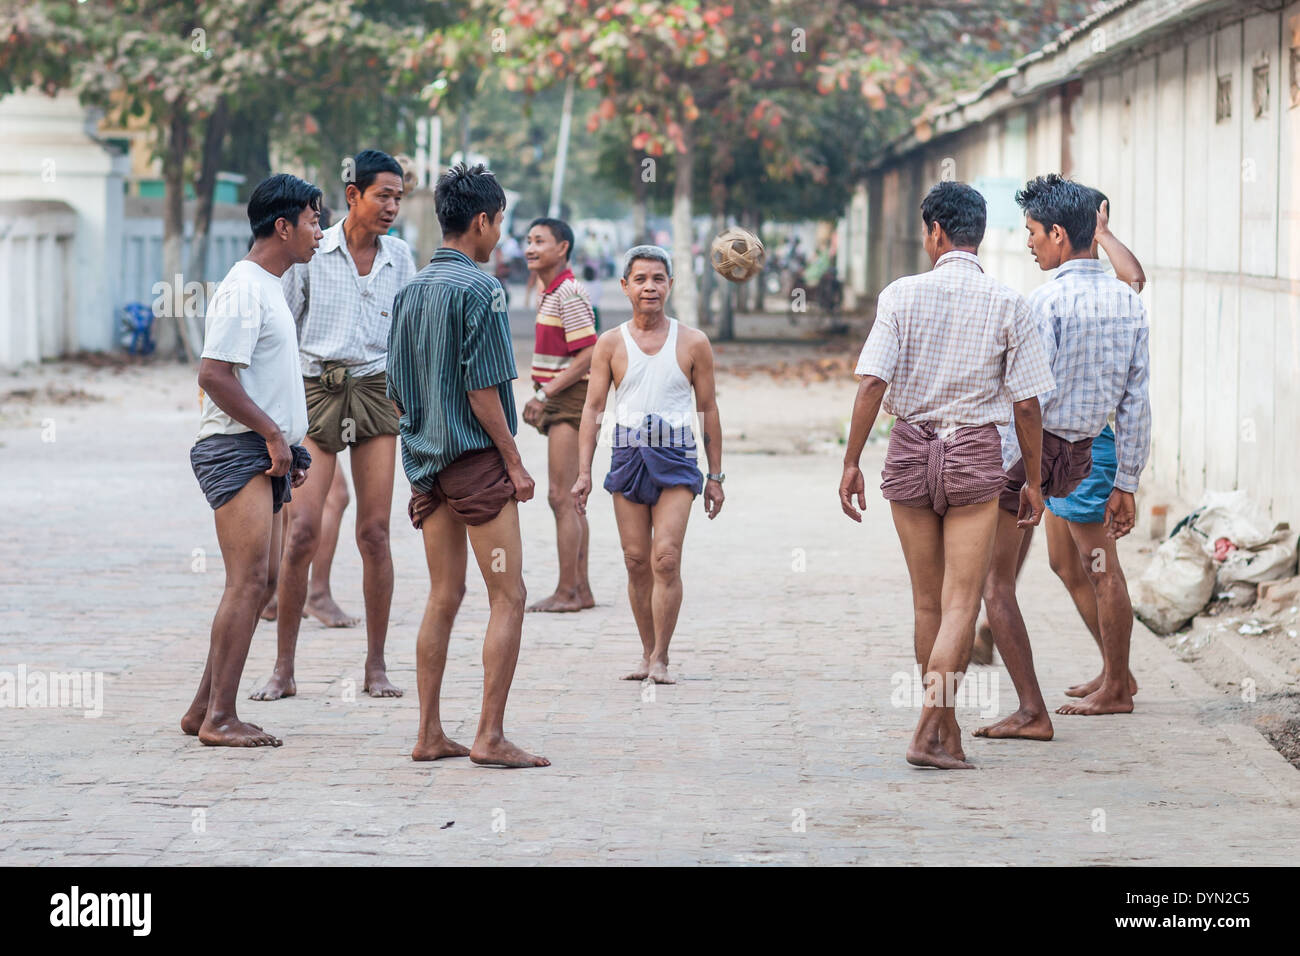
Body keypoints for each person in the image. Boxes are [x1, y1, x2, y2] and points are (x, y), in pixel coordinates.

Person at [839, 181, 1054, 770]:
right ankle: (933, 730)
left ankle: (938, 728)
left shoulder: (901, 295)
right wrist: (1033, 481)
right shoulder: (1009, 303)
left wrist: (851, 460)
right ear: (977, 236)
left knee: (927, 606)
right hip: (975, 457)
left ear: (934, 232)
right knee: (963, 604)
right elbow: (1028, 405)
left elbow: (871, 383)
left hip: (909, 448)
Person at [974, 175, 1150, 739]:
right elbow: (1135, 400)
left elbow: (1029, 402)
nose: (1028, 244)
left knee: (999, 582)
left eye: (1031, 233)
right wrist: (1128, 478)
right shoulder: (1126, 299)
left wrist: (1019, 472)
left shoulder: (1044, 301)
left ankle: (1059, 702)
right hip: (1086, 449)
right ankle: (1113, 676)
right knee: (1077, 563)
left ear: (1057, 234)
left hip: (1042, 450)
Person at [387, 162, 549, 768]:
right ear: (481, 221)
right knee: (508, 595)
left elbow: (395, 391)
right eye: (501, 223)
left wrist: (425, 440)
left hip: (427, 467)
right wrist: (516, 465)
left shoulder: (410, 291)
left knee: (443, 595)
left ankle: (429, 734)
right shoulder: (481, 291)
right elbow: (485, 393)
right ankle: (489, 734)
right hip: (478, 468)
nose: (501, 236)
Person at [251, 149, 416, 702]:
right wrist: (272, 411)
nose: (392, 205)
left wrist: (408, 406)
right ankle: (284, 668)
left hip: (375, 394)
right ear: (353, 195)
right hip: (316, 390)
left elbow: (407, 340)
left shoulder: (401, 258)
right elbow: (281, 328)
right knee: (302, 532)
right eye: (383, 194)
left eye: (399, 196)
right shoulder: (313, 253)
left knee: (374, 534)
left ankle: (376, 666)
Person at [181, 173, 322, 747]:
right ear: (283, 226)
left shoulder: (270, 286)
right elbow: (214, 375)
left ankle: (201, 710)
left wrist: (292, 441)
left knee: (261, 582)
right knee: (247, 584)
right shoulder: (244, 288)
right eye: (314, 220)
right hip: (237, 450)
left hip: (266, 451)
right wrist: (271, 433)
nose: (320, 231)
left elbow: (264, 379)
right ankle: (220, 718)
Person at [573, 245, 725, 685]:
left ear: (671, 286)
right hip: (627, 455)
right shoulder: (610, 343)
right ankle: (645, 651)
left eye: (658, 279)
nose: (650, 287)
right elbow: (593, 409)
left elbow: (709, 409)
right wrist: (584, 472)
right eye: (640, 279)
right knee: (636, 560)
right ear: (625, 287)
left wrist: (715, 476)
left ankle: (661, 656)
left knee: (665, 558)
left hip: (676, 457)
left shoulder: (693, 342)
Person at [520, 217, 599, 612]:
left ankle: (568, 590)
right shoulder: (547, 290)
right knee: (568, 496)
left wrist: (545, 393)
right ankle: (580, 589)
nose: (530, 248)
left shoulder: (568, 292)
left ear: (562, 247)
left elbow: (589, 352)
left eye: (540, 241)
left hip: (571, 398)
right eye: (528, 241)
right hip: (561, 397)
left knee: (560, 495)